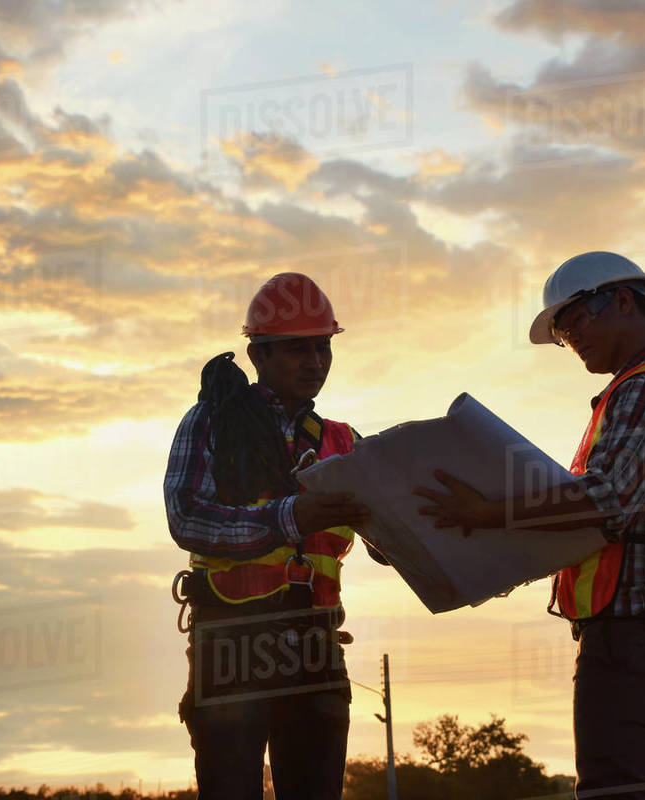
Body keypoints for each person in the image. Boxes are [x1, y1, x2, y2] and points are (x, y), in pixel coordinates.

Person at [414, 251, 645, 799]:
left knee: (615, 790)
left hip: (636, 640)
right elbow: (606, 523)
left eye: (576, 320)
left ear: (624, 301)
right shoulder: (635, 393)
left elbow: (604, 504)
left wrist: (488, 513)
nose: (570, 337)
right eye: (562, 331)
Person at [164, 272, 384, 800]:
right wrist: (292, 518)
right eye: (296, 349)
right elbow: (187, 517)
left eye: (323, 347)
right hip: (232, 644)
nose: (315, 362)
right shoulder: (211, 422)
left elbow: (391, 540)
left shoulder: (343, 441)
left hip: (317, 649)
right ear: (258, 355)